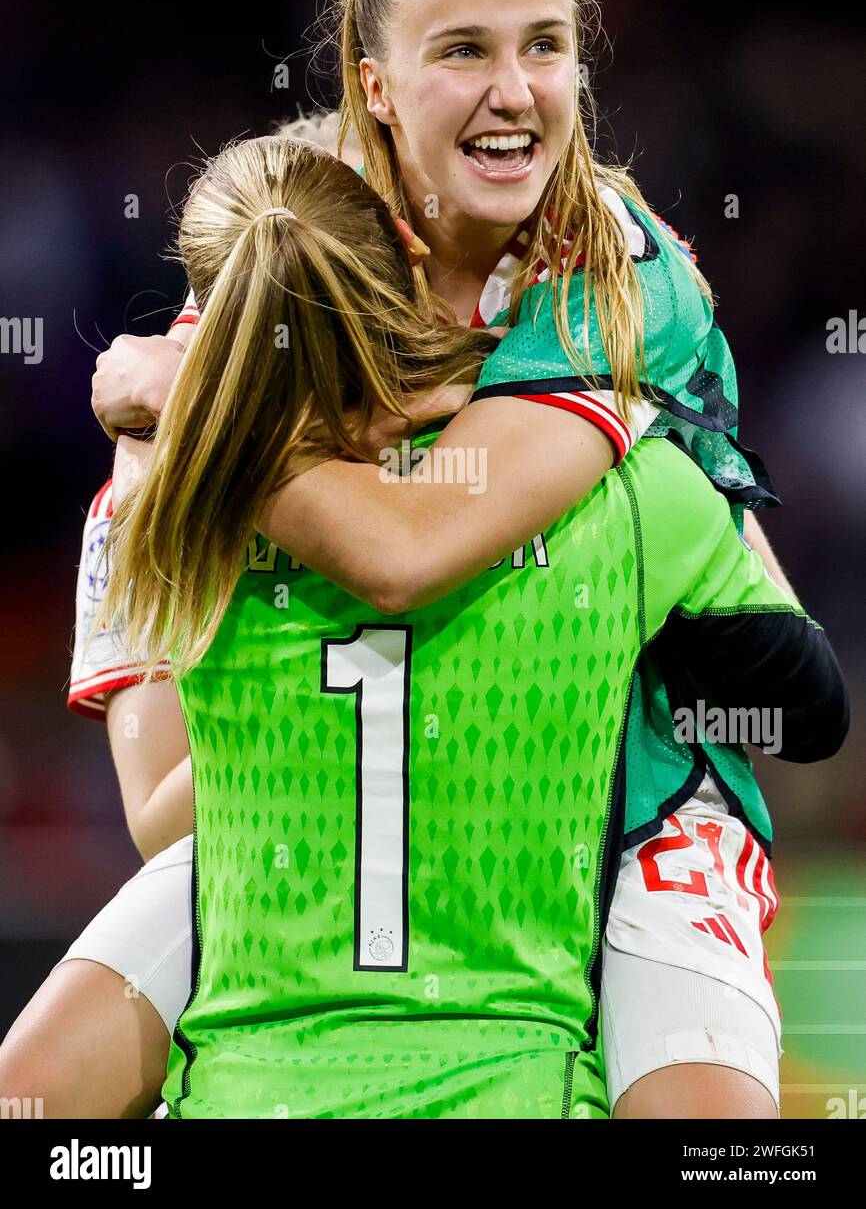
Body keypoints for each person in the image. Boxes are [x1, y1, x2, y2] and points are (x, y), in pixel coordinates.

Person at [91, 134, 844, 1119]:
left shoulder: (616, 281)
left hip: (645, 803)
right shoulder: (150, 482)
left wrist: (204, 421)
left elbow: (798, 706)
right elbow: (159, 814)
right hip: (291, 832)